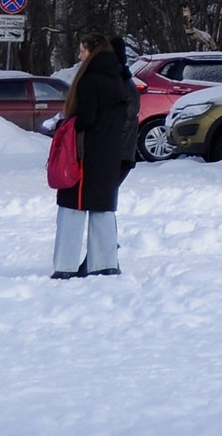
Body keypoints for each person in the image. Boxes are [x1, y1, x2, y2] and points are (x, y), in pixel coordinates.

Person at [52, 34, 137, 279]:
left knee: (71, 209)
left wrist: (65, 125)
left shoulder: (90, 81)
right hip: (110, 154)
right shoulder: (120, 81)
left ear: (92, 52)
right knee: (103, 209)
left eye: (82, 51)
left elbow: (86, 118)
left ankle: (65, 266)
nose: (79, 56)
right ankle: (105, 263)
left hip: (85, 153)